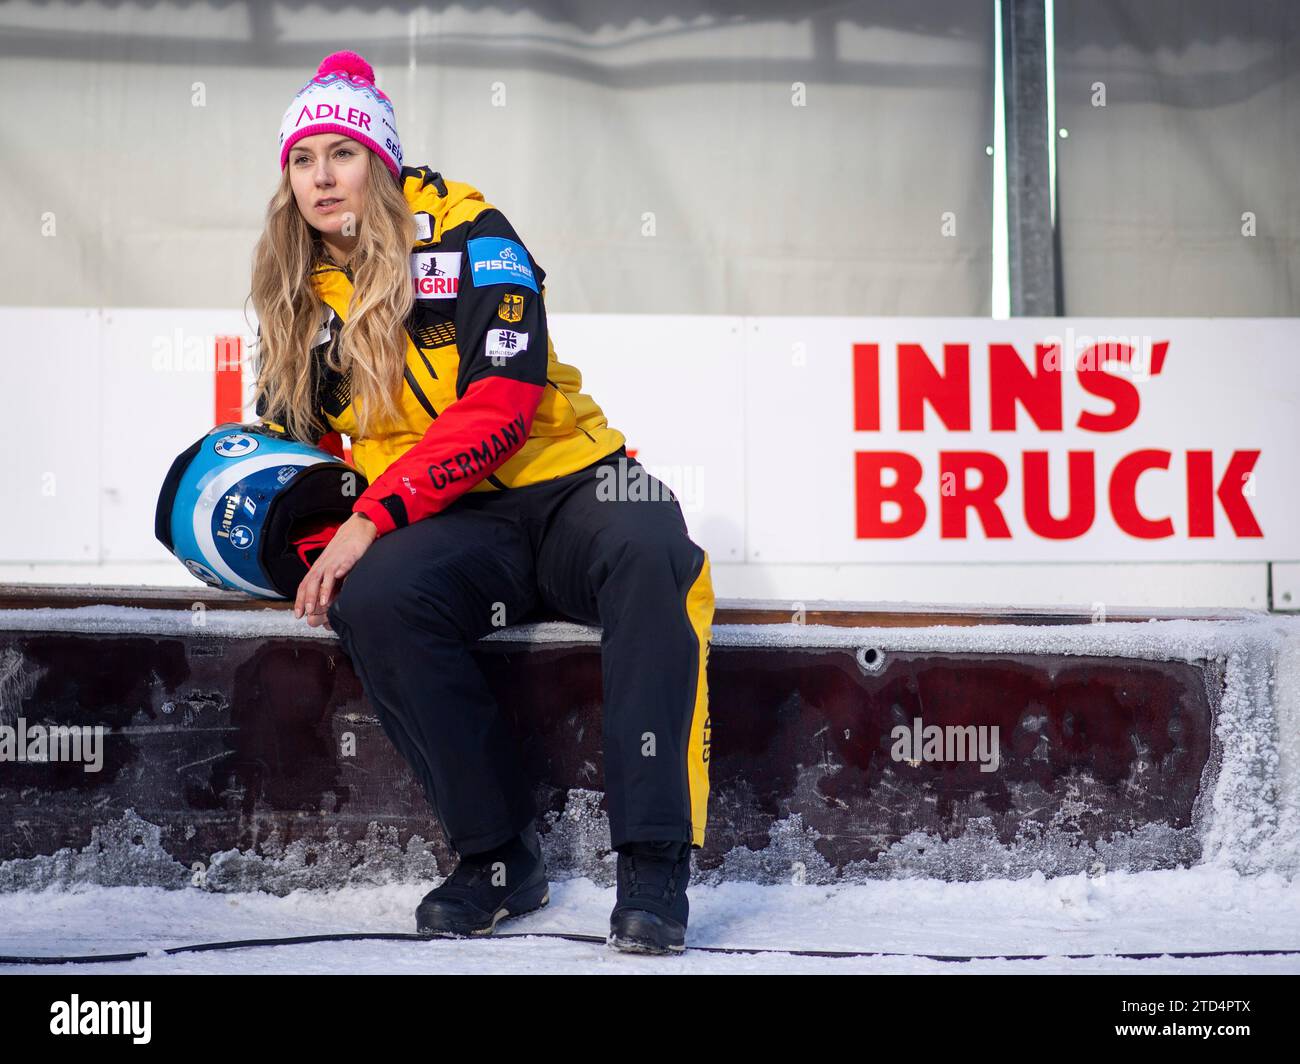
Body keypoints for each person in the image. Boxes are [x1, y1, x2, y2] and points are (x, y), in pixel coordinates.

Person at [248, 50, 714, 955]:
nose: (321, 178)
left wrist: (369, 520)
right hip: (450, 524)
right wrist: (277, 530)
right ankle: (498, 860)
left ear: (379, 161)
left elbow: (500, 408)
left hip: (568, 481)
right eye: (302, 161)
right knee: (376, 598)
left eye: (340, 153)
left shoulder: (469, 234)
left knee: (654, 549)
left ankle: (655, 865)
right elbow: (293, 452)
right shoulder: (294, 290)